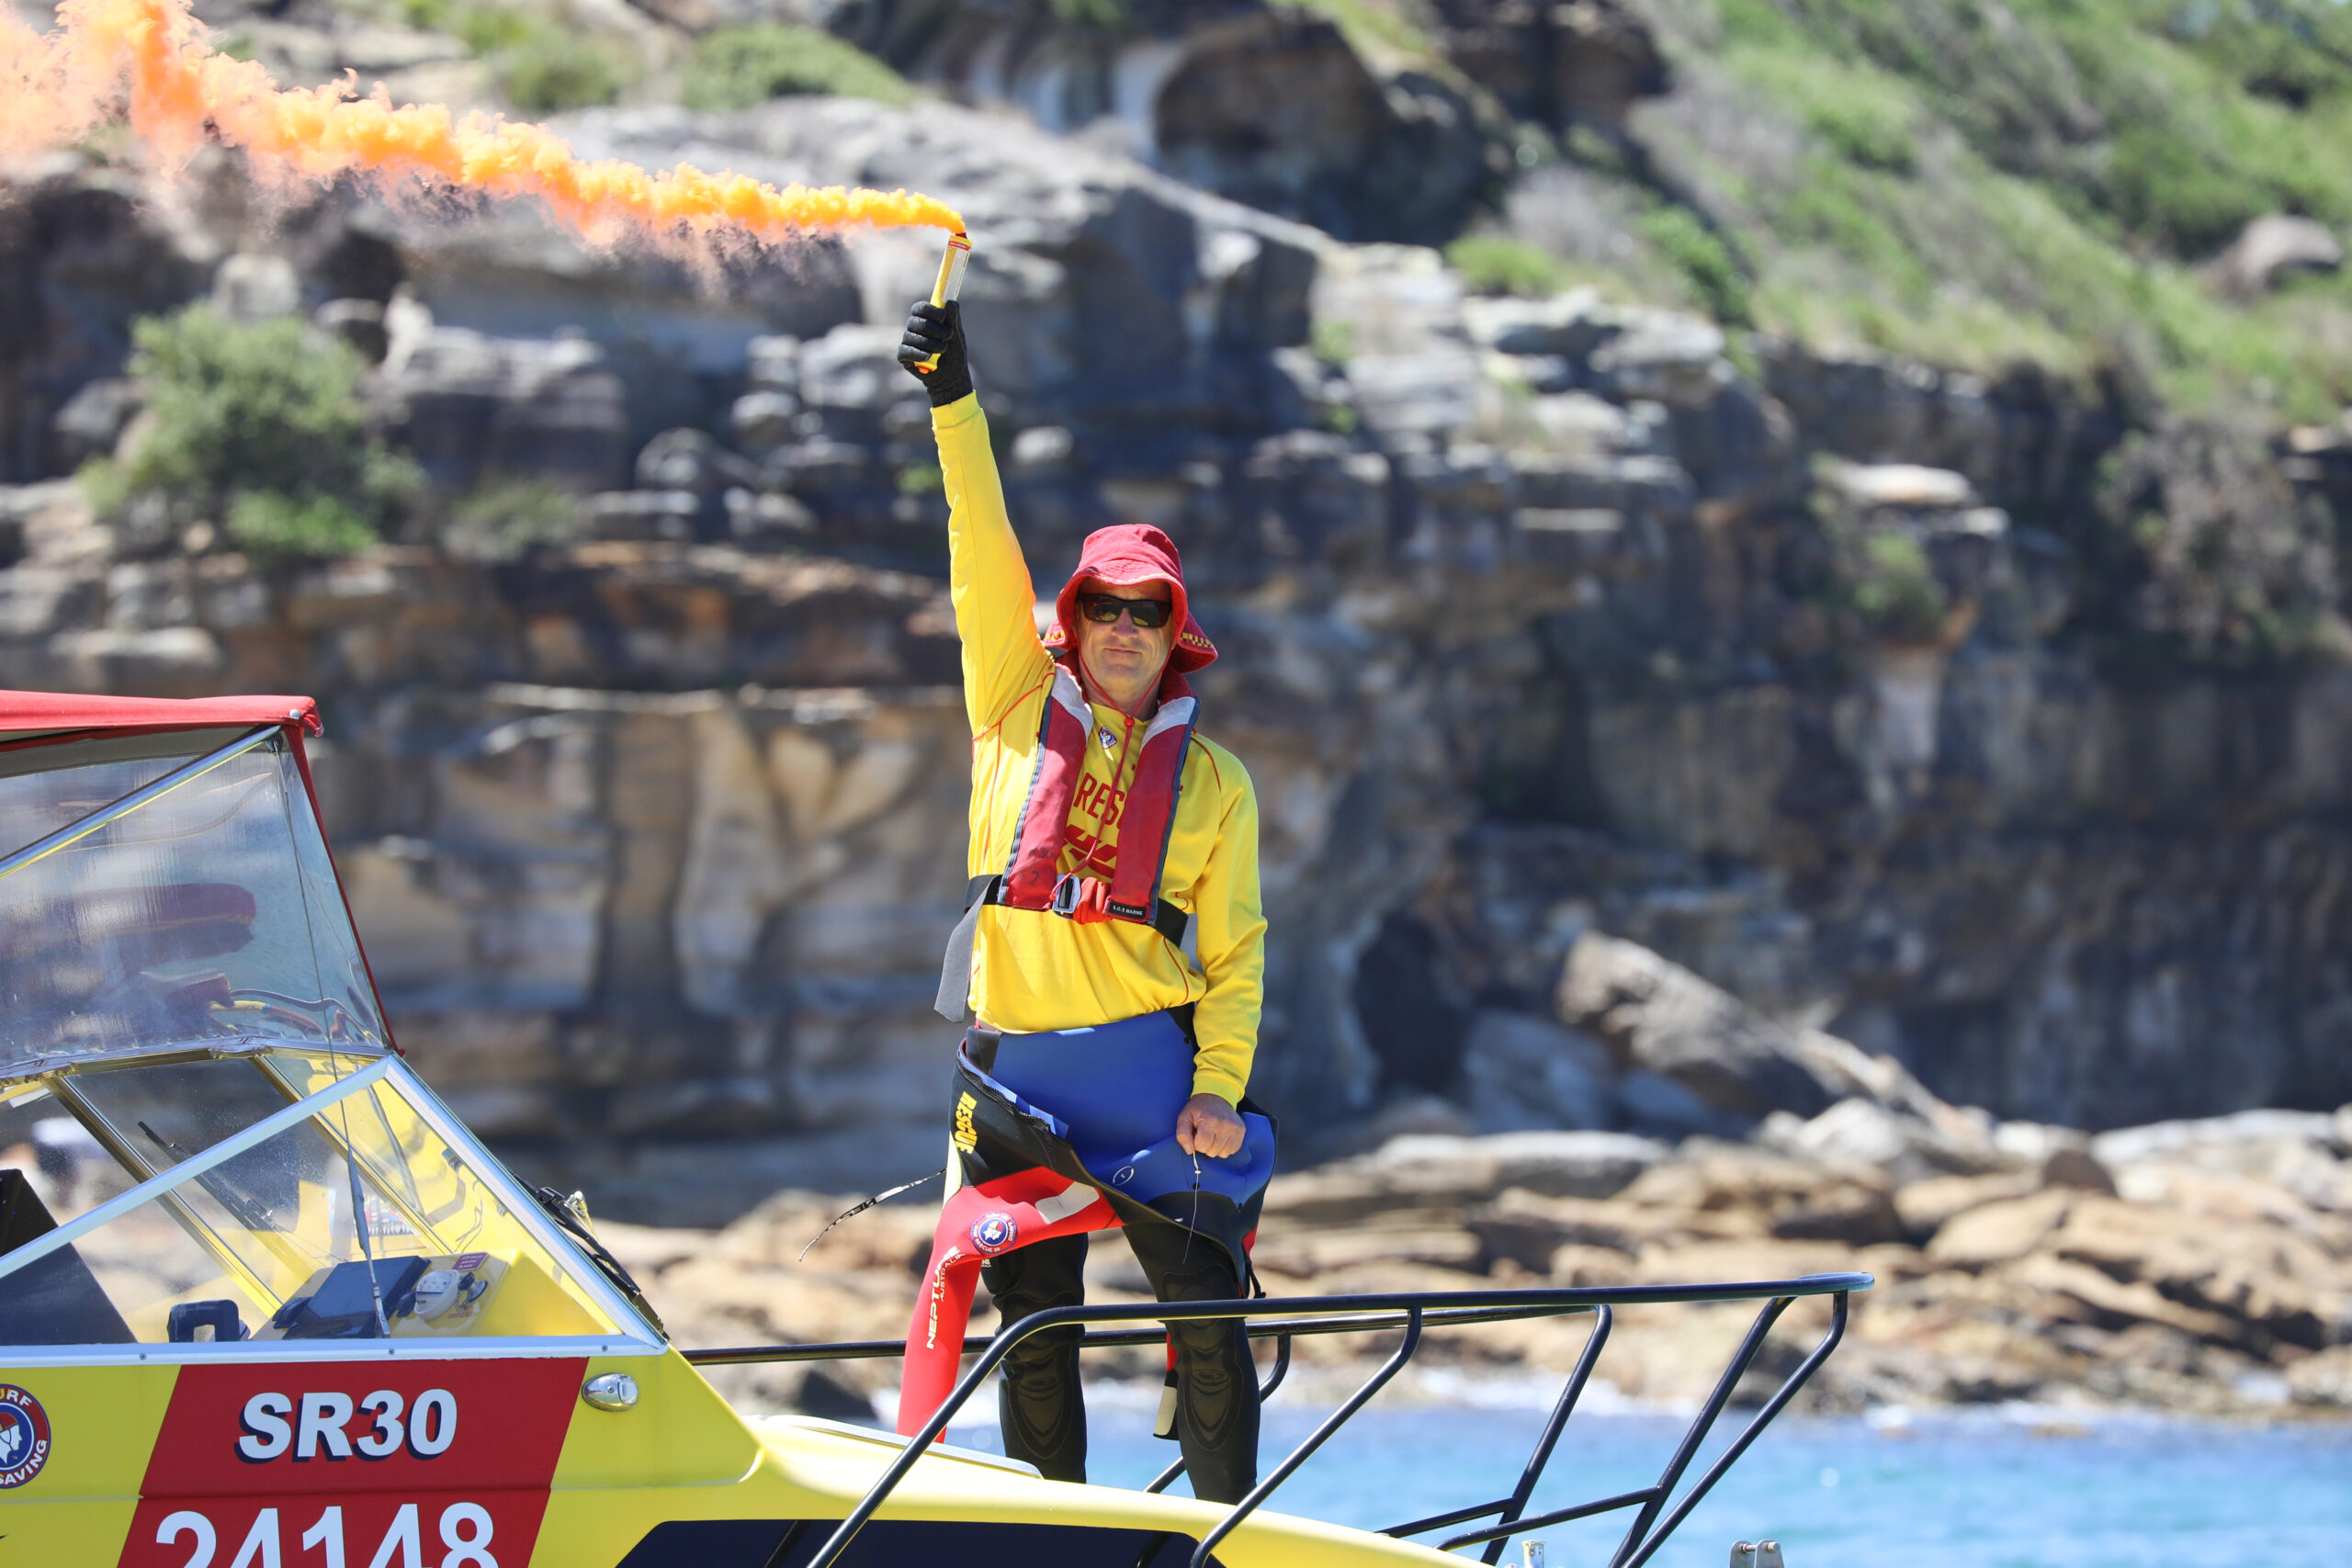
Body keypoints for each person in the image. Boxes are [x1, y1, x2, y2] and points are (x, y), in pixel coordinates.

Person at [890, 297, 1272, 1502]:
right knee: (1035, 1340)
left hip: (1153, 1087)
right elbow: (977, 533)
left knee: (1210, 1324)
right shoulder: (1009, 703)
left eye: (1145, 609)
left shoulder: (1217, 786)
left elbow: (1242, 954)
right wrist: (954, 399)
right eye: (1102, 605)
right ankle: (1060, 1541)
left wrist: (1217, 1089)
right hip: (1017, 1090)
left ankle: (1223, 1537)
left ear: (1177, 633)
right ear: (1074, 619)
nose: (1120, 626)